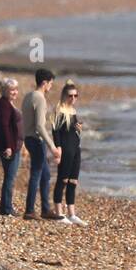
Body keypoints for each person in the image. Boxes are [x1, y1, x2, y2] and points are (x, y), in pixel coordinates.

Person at [21, 68, 62, 221]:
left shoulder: (28, 96)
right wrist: (52, 146)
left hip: (28, 138)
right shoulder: (40, 98)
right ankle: (29, 210)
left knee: (45, 175)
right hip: (36, 140)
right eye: (50, 84)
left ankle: (46, 209)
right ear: (44, 83)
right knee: (36, 174)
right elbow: (39, 126)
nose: (51, 87)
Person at [51, 79, 86, 225]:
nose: (73, 99)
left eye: (75, 96)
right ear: (64, 95)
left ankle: (72, 214)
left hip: (75, 148)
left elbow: (72, 130)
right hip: (65, 148)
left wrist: (79, 129)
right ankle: (59, 213)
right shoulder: (59, 110)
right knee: (62, 180)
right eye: (70, 96)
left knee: (73, 181)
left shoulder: (73, 111)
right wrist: (57, 148)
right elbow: (55, 132)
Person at [0, 77, 23, 216]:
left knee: (10, 177)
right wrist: (9, 147)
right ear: (4, 91)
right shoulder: (4, 105)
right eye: (12, 90)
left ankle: (6, 207)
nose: (14, 92)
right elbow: (4, 126)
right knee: (10, 178)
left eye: (16, 89)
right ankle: (6, 208)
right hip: (9, 146)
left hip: (14, 145)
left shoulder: (8, 103)